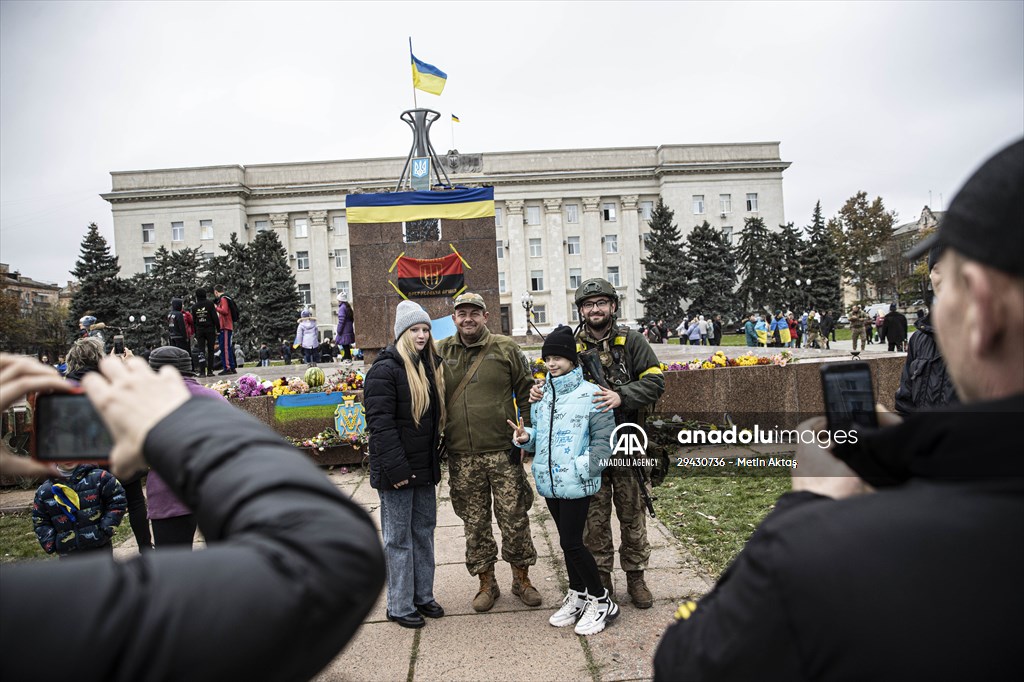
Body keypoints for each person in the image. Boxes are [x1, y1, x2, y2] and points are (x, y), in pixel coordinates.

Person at [652, 139, 1024, 681]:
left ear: (983, 309)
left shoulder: (831, 558)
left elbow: (687, 663)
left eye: (944, 292)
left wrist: (807, 509)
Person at [0, 351, 385, 681]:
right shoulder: (206, 398)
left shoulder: (29, 612)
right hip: (206, 498)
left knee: (176, 566)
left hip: (166, 504)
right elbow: (328, 557)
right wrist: (180, 421)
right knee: (212, 578)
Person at [562, 278, 666, 608]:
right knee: (593, 520)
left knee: (632, 513)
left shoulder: (632, 341)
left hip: (627, 444)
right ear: (581, 310)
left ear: (613, 306)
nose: (595, 309)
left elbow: (655, 381)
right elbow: (553, 383)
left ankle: (636, 576)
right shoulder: (570, 346)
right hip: (589, 448)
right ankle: (602, 579)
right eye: (588, 304)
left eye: (601, 303)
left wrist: (621, 396)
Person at [436, 292, 541, 612]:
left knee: (515, 517)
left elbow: (526, 392)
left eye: (474, 313)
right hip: (462, 454)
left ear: (486, 316)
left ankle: (521, 579)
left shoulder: (505, 348)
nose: (468, 318)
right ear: (454, 318)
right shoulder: (440, 351)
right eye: (462, 313)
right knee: (474, 522)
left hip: (503, 452)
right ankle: (486, 582)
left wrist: (527, 435)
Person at [510, 326, 617, 635]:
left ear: (571, 359)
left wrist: (582, 468)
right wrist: (526, 437)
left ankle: (602, 601)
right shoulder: (543, 396)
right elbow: (540, 436)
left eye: (557, 357)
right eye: (547, 359)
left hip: (575, 480)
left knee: (572, 543)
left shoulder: (592, 394)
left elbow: (604, 442)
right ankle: (578, 593)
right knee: (567, 543)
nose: (551, 364)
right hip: (550, 481)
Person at [364, 301, 447, 629]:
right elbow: (380, 426)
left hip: (423, 469)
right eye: (415, 329)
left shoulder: (429, 365)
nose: (422, 335)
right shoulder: (385, 370)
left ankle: (422, 595)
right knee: (398, 539)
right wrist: (397, 471)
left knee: (423, 533)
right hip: (397, 472)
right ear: (402, 333)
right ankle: (399, 605)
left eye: (425, 329)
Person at [65, 337, 152, 553]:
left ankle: (104, 555)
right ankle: (145, 548)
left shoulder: (66, 386)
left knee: (95, 507)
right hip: (117, 452)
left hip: (87, 457)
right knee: (135, 501)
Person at [145, 346, 225, 549]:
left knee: (172, 564)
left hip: (167, 494)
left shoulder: (146, 403)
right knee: (223, 562)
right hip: (214, 493)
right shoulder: (214, 398)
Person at [894, 246, 959, 414]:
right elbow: (905, 407)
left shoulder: (992, 337)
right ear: (930, 275)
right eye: (938, 270)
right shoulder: (919, 339)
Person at [32, 458, 126, 558]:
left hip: (100, 548)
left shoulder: (100, 478)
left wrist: (106, 529)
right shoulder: (45, 491)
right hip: (68, 554)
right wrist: (51, 542)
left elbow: (117, 500)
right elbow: (40, 520)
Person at [191, 288, 220, 377]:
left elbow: (194, 321)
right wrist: (218, 329)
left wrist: (195, 333)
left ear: (197, 296)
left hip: (200, 331)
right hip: (210, 330)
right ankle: (210, 371)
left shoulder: (194, 307)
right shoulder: (210, 304)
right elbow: (215, 317)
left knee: (201, 351)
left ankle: (202, 372)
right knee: (211, 350)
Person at [213, 284, 236, 375]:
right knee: (227, 347)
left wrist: (216, 308)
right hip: (226, 326)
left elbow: (225, 311)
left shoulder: (223, 299)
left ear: (216, 292)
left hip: (225, 326)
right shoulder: (225, 298)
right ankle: (232, 366)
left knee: (225, 348)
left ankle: (227, 367)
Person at [336, 294, 356, 362]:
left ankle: (346, 358)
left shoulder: (342, 308)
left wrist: (339, 330)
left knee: (345, 345)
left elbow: (341, 320)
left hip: (344, 330)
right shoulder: (347, 307)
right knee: (346, 346)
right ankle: (347, 357)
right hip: (348, 328)